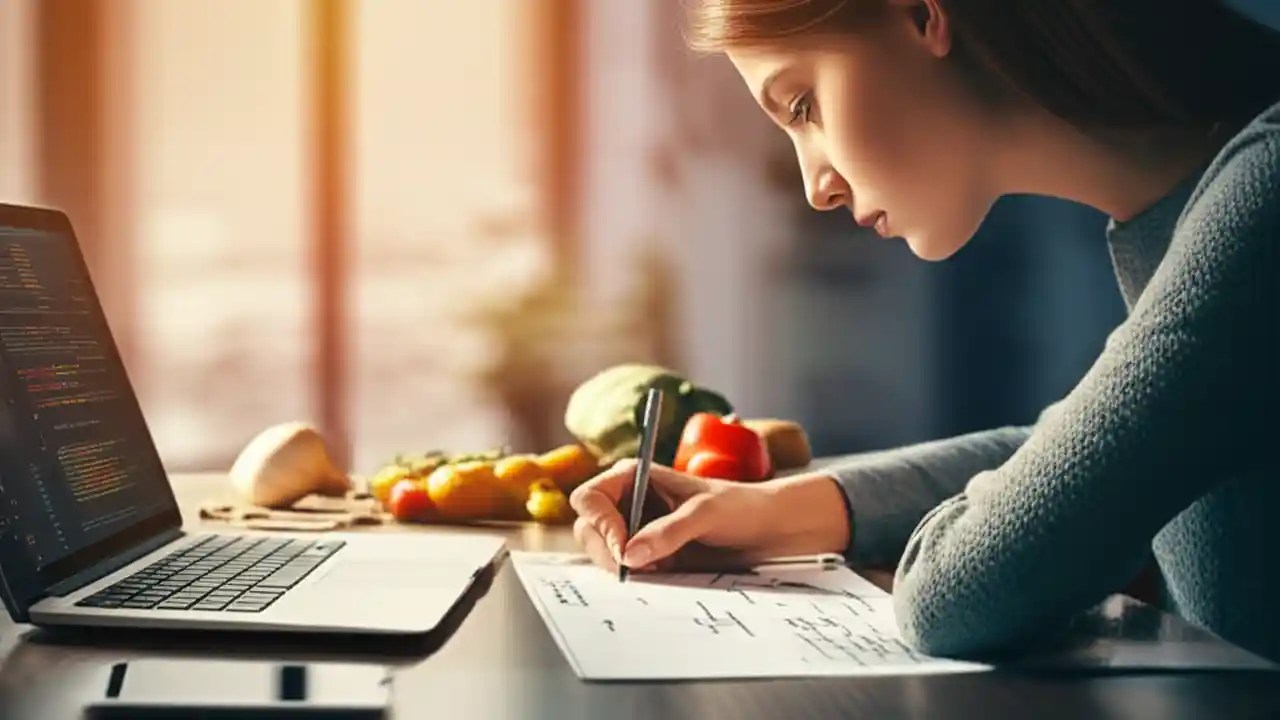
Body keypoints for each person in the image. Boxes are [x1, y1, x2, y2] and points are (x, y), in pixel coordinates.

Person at [568, 0, 1280, 661]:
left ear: (920, 14)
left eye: (802, 103)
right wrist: (774, 511)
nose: (816, 183)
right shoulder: (1202, 208)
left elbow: (959, 594)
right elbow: (1082, 448)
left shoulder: (1265, 202)